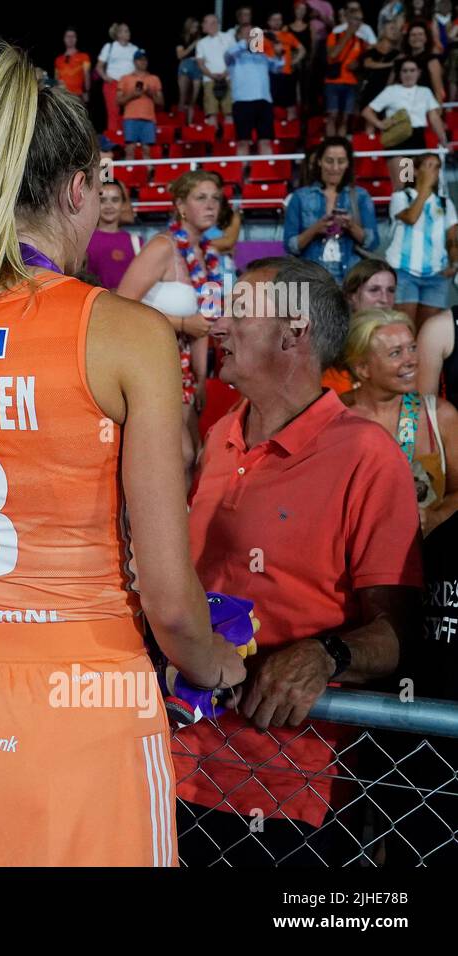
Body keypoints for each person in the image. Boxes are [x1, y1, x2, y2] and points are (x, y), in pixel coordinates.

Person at [0, 41, 245, 866]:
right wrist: (217, 662)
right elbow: (171, 602)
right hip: (85, 714)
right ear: (77, 190)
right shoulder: (127, 334)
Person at [176, 258, 422, 866]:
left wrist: (326, 654)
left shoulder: (368, 455)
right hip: (177, 765)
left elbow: (397, 632)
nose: (218, 327)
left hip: (290, 789)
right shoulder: (218, 437)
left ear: (293, 333)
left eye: (237, 312)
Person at [117, 171, 225, 478]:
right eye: (201, 198)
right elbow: (122, 305)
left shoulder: (210, 254)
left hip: (186, 370)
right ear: (180, 205)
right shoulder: (163, 247)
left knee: (197, 455)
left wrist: (203, 378)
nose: (211, 205)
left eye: (215, 198)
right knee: (182, 455)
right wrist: (180, 322)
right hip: (151, 361)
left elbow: (202, 323)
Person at [339, 308, 458, 534]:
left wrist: (435, 517)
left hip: (426, 561)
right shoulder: (336, 417)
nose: (412, 360)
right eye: (396, 353)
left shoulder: (440, 416)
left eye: (412, 348)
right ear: (362, 368)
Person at [283, 136, 377, 283]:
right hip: (312, 279)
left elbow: (372, 243)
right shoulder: (300, 197)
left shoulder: (361, 196)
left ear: (348, 164)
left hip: (351, 279)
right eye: (329, 161)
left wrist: (351, 226)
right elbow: (291, 246)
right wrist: (316, 229)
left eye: (341, 161)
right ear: (319, 161)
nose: (335, 168)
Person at [383, 151, 458, 325]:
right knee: (404, 327)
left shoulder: (445, 202)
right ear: (415, 171)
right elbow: (411, 217)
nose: (434, 171)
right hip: (404, 272)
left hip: (437, 275)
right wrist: (425, 188)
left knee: (428, 331)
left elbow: (452, 237)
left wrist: (454, 264)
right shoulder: (401, 197)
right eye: (429, 166)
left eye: (438, 167)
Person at [324, 258, 399, 392]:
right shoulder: (332, 339)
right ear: (351, 296)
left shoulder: (402, 336)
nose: (384, 299)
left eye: (391, 290)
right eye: (374, 290)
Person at [362, 58, 448, 152]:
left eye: (412, 70)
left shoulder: (425, 91)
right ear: (400, 73)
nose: (408, 74)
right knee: (403, 167)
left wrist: (443, 140)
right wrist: (380, 124)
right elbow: (366, 111)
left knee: (414, 166)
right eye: (405, 71)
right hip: (396, 136)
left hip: (418, 137)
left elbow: (434, 117)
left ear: (419, 72)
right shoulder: (391, 90)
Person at [225, 25, 284, 155]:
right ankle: (240, 173)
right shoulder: (234, 56)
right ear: (239, 36)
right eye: (247, 34)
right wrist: (247, 41)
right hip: (243, 102)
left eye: (254, 34)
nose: (252, 36)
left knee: (265, 141)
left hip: (264, 101)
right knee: (242, 141)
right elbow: (228, 55)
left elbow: (277, 68)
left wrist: (278, 54)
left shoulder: (262, 56)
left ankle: (265, 172)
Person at [86, 180, 141, 290]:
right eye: (102, 200)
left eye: (115, 200)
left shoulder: (136, 241)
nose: (109, 205)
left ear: (123, 204)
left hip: (129, 305)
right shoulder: (85, 240)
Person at [325, 6, 369, 136]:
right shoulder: (335, 36)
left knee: (345, 117)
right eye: (355, 19)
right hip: (333, 81)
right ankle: (329, 145)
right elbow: (332, 55)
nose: (358, 23)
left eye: (360, 20)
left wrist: (358, 65)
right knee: (332, 115)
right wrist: (348, 34)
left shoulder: (361, 41)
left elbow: (364, 62)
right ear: (348, 19)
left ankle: (340, 145)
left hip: (351, 82)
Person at [116, 50, 163, 161]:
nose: (143, 62)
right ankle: (129, 176)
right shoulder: (125, 79)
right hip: (131, 118)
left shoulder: (154, 79)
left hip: (148, 118)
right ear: (134, 61)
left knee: (147, 150)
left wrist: (149, 93)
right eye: (140, 59)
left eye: (145, 59)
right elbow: (118, 101)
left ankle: (146, 177)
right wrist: (133, 95)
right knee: (130, 149)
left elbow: (161, 102)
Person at [98, 23, 139, 134]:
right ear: (118, 34)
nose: (128, 33)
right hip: (112, 83)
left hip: (129, 84)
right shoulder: (110, 46)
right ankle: (113, 140)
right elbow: (99, 66)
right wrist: (105, 77)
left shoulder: (134, 48)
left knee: (131, 112)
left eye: (128, 31)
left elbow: (139, 67)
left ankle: (129, 138)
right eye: (125, 31)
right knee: (113, 112)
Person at [196, 14, 234, 125]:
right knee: (211, 113)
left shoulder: (228, 38)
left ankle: (228, 139)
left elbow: (234, 58)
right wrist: (212, 75)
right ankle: (212, 140)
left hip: (228, 78)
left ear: (213, 24)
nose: (202, 25)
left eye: (205, 22)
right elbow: (200, 63)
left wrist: (225, 73)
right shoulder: (201, 43)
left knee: (229, 112)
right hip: (209, 81)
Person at [361, 19, 404, 106]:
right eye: (392, 28)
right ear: (383, 31)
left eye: (396, 29)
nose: (395, 32)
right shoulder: (372, 48)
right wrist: (390, 64)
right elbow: (368, 64)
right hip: (370, 88)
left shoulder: (398, 53)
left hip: (387, 89)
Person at [403, 20, 447, 102]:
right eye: (413, 35)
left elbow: (439, 91)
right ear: (408, 38)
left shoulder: (432, 61)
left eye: (420, 34)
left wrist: (438, 112)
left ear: (426, 38)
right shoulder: (402, 59)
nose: (417, 37)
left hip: (425, 107)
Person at [177, 18, 204, 124]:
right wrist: (193, 44)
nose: (195, 29)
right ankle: (180, 125)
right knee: (183, 97)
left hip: (197, 65)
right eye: (193, 26)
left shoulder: (202, 39)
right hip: (186, 64)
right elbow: (180, 55)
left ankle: (189, 124)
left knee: (193, 99)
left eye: (197, 27)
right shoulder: (182, 38)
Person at [56, 29, 93, 99]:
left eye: (73, 36)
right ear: (64, 39)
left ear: (76, 39)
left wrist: (87, 92)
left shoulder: (84, 56)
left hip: (78, 95)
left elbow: (87, 75)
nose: (70, 39)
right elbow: (56, 78)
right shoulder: (58, 59)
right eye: (68, 36)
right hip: (62, 96)